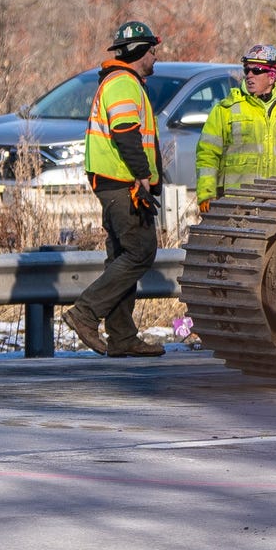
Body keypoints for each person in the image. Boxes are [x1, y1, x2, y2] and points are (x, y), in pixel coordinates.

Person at [65, 20, 165, 359]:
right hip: (123, 183)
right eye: (153, 51)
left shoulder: (119, 81)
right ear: (142, 51)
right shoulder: (124, 83)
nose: (156, 57)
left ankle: (123, 337)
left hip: (114, 182)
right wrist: (143, 176)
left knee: (122, 257)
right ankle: (85, 313)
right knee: (141, 252)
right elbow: (126, 133)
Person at [197, 42, 276, 204]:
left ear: (272, 76)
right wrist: (206, 193)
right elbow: (207, 155)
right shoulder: (226, 109)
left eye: (256, 70)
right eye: (246, 70)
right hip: (235, 205)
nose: (249, 75)